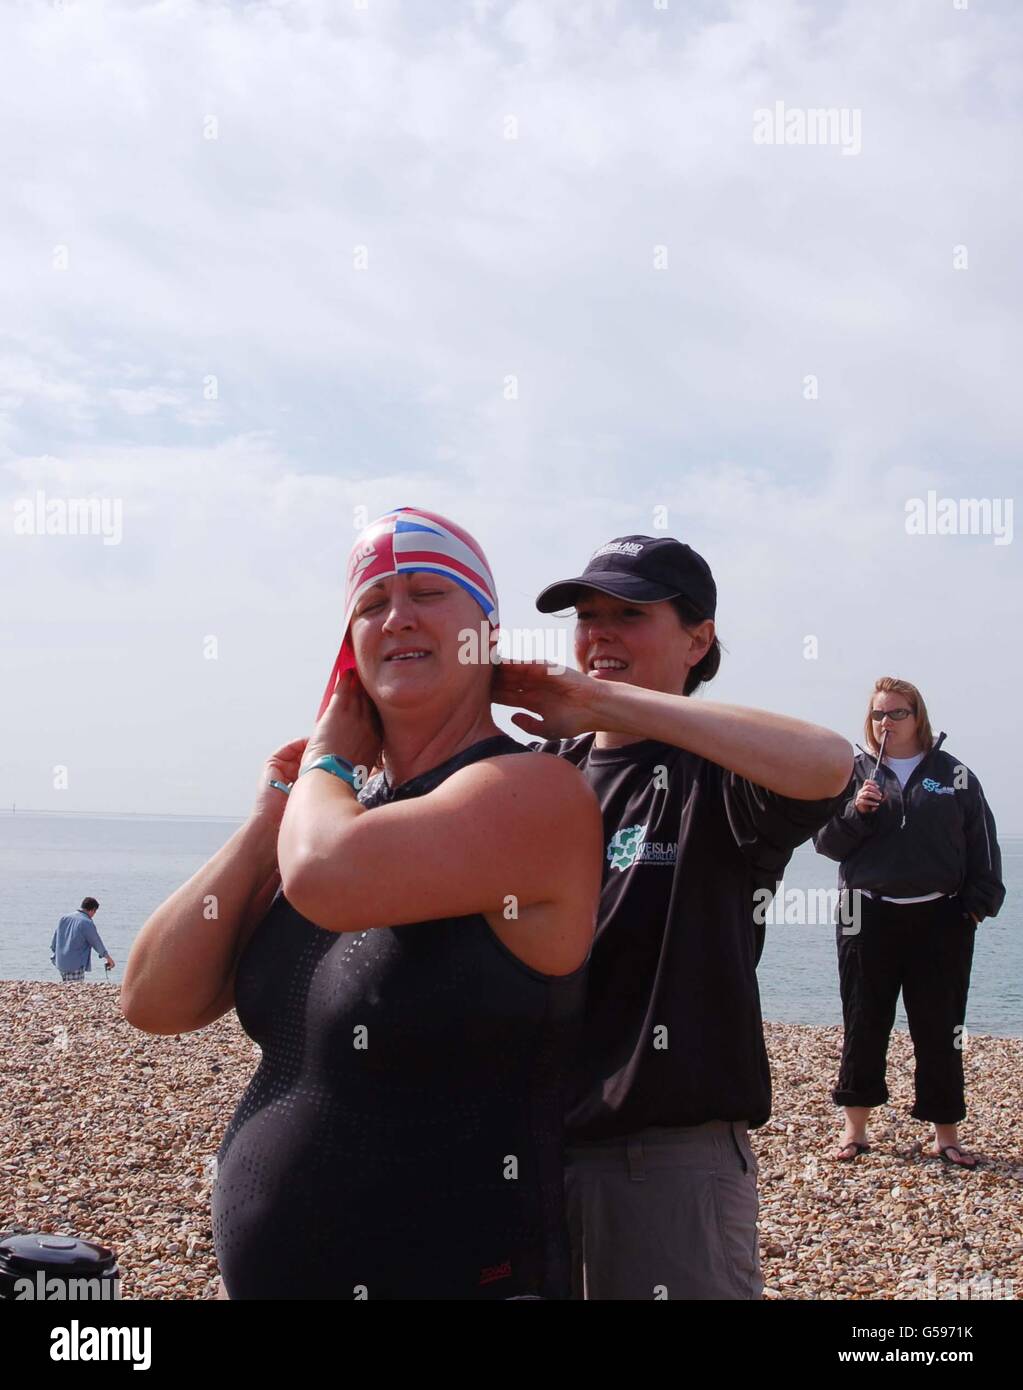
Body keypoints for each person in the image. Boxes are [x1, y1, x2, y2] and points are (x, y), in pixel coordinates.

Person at [122, 507, 601, 1300]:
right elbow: (154, 1000)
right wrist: (267, 819)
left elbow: (323, 877)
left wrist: (327, 759)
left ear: (486, 630)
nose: (396, 615)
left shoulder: (534, 791)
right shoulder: (333, 815)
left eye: (425, 591)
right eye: (371, 604)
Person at [492, 534, 853, 1300]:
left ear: (698, 638)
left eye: (629, 613)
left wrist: (597, 700)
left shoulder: (717, 776)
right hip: (527, 1158)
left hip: (660, 1169)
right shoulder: (547, 776)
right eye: (587, 615)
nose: (599, 633)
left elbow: (830, 764)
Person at [813, 676, 1005, 1170]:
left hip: (940, 919)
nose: (886, 723)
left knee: (939, 1027)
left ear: (918, 716)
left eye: (897, 713)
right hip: (866, 915)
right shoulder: (852, 773)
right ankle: (854, 1130)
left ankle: (946, 1135)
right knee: (864, 1020)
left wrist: (976, 907)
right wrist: (856, 812)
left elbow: (982, 842)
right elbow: (826, 844)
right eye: (878, 713)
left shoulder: (953, 774)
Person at [51, 897, 114, 982]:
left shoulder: (64, 918)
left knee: (66, 987)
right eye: (95, 912)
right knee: (73, 990)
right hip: (74, 965)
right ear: (93, 910)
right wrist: (108, 958)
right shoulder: (86, 922)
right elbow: (96, 942)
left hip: (60, 962)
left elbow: (54, 941)